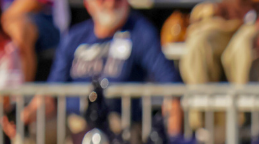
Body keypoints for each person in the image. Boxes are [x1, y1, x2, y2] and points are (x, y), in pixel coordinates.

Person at [27, 0, 182, 133]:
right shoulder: (74, 37)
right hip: (72, 122)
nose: (111, 2)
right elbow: (51, 92)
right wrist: (24, 117)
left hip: (117, 125)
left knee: (97, 137)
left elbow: (171, 85)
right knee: (30, 136)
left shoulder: (140, 33)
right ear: (88, 4)